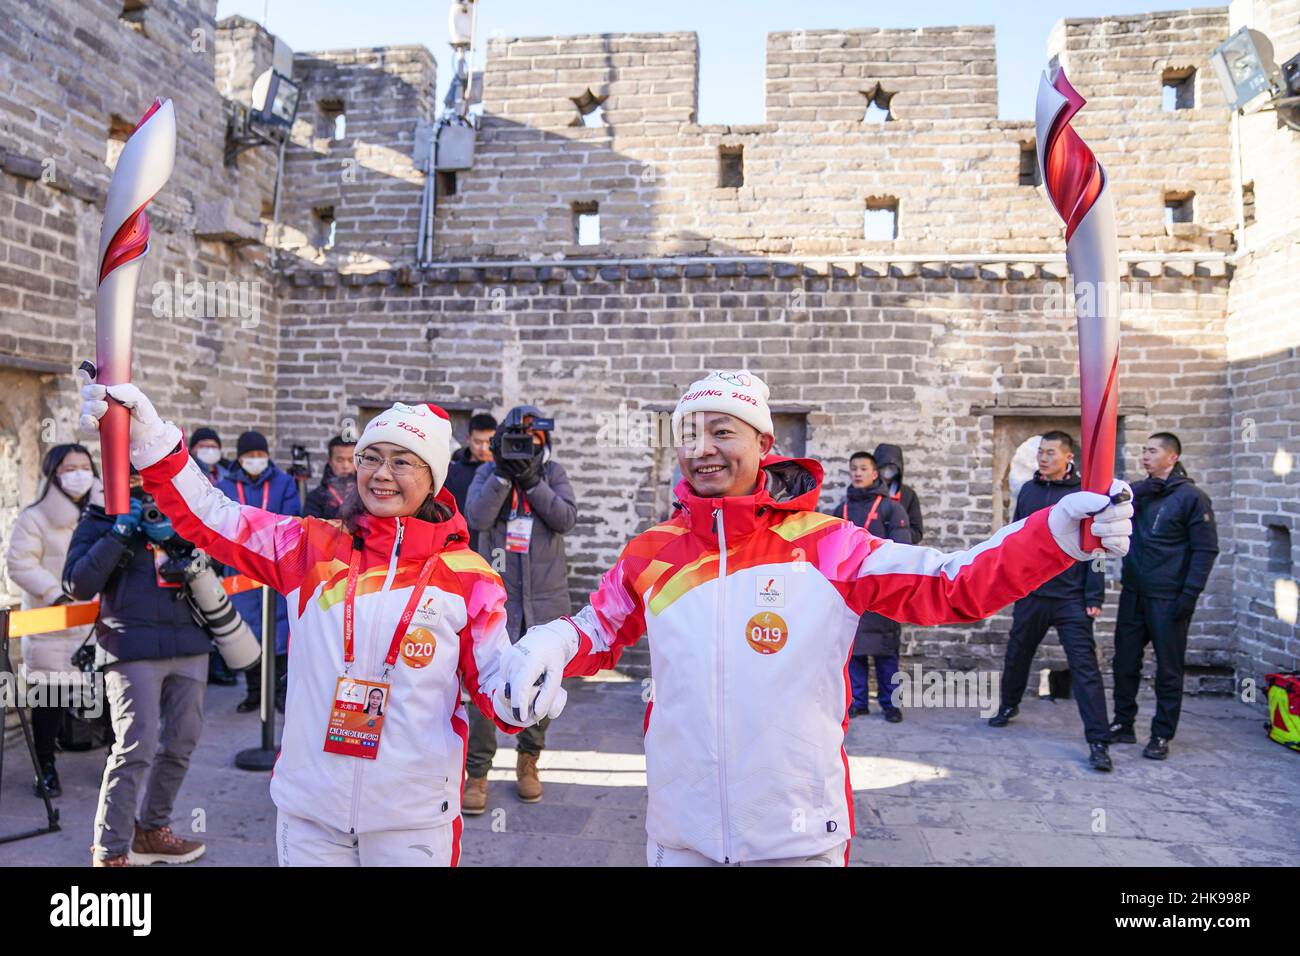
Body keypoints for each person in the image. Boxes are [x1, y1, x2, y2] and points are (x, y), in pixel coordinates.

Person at [495, 369, 1133, 867]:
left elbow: (953, 585)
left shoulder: (831, 544)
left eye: (723, 431)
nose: (702, 449)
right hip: (679, 831)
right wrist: (551, 642)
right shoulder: (653, 550)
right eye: (689, 433)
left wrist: (1055, 537)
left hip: (797, 836)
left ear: (764, 443)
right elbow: (599, 629)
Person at [78, 380, 533, 867]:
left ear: (434, 478)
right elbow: (211, 517)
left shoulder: (468, 576)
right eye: (370, 457)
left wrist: (529, 682)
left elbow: (496, 689)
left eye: (402, 461)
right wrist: (150, 439)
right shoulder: (310, 547)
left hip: (413, 816)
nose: (381, 474)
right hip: (311, 810)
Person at [63, 469, 210, 867]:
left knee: (182, 743)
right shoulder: (98, 519)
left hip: (190, 641)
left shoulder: (185, 513)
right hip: (131, 646)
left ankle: (152, 831)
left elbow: (219, 566)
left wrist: (176, 540)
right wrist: (119, 533)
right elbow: (77, 584)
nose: (138, 483)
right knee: (135, 748)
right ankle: (110, 851)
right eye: (128, 475)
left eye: (144, 474)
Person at [461, 405, 577, 811]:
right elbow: (477, 516)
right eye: (517, 441)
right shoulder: (488, 473)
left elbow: (564, 518)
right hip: (496, 602)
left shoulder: (552, 474)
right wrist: (502, 475)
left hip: (544, 601)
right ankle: (477, 773)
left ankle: (529, 760)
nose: (524, 448)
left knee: (542, 683)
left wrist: (530, 481)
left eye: (532, 441)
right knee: (485, 687)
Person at [986, 432, 1112, 772]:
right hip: (1032, 592)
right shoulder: (1029, 490)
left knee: (1085, 668)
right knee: (1017, 653)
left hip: (1070, 597)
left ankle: (1099, 741)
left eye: (1050, 453)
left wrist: (1094, 595)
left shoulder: (1083, 496)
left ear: (1068, 456)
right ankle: (1008, 706)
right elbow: (1016, 537)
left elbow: (1095, 547)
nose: (1043, 458)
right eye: (1040, 452)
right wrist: (1010, 581)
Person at [1110, 432, 1219, 761]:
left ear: (1172, 457)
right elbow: (1104, 503)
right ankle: (1123, 723)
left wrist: (1189, 595)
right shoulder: (1140, 493)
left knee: (1168, 669)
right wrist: (1137, 492)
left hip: (1168, 597)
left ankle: (1161, 734)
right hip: (1134, 592)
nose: (1145, 455)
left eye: (1153, 451)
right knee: (1124, 662)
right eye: (1144, 450)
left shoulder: (1192, 498)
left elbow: (1206, 549)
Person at [4, 444, 103, 799]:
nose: (79, 473)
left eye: (84, 465)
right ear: (54, 473)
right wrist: (57, 593)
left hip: (96, 622)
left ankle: (114, 763)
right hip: (52, 624)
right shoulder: (35, 517)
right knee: (49, 699)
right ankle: (45, 767)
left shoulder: (105, 511)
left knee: (106, 697)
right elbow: (20, 564)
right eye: (68, 467)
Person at [824, 451, 911, 721]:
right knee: (854, 650)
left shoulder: (890, 508)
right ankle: (858, 701)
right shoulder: (843, 509)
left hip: (882, 590)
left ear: (875, 474)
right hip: (852, 590)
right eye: (854, 469)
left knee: (886, 652)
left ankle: (890, 704)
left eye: (863, 468)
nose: (858, 473)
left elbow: (901, 548)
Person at [218, 430, 300, 713]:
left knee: (278, 631)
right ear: (240, 458)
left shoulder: (284, 483)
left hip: (274, 566)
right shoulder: (224, 485)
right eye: (250, 456)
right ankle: (253, 692)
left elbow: (290, 519)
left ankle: (277, 692)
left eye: (260, 455)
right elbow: (220, 520)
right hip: (239, 566)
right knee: (246, 632)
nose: (256, 460)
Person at [444, 413, 497, 519]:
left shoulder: (503, 472)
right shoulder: (452, 472)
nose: (484, 448)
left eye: (489, 442)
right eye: (478, 442)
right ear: (468, 439)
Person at [872, 442, 924, 543]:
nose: (887, 470)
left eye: (891, 467)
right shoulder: (865, 492)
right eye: (883, 467)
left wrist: (896, 535)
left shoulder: (908, 495)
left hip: (899, 551)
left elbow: (917, 532)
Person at [303, 434, 357, 521]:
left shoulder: (366, 494)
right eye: (340, 460)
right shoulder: (315, 498)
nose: (345, 466)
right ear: (330, 461)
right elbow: (311, 529)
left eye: (351, 460)